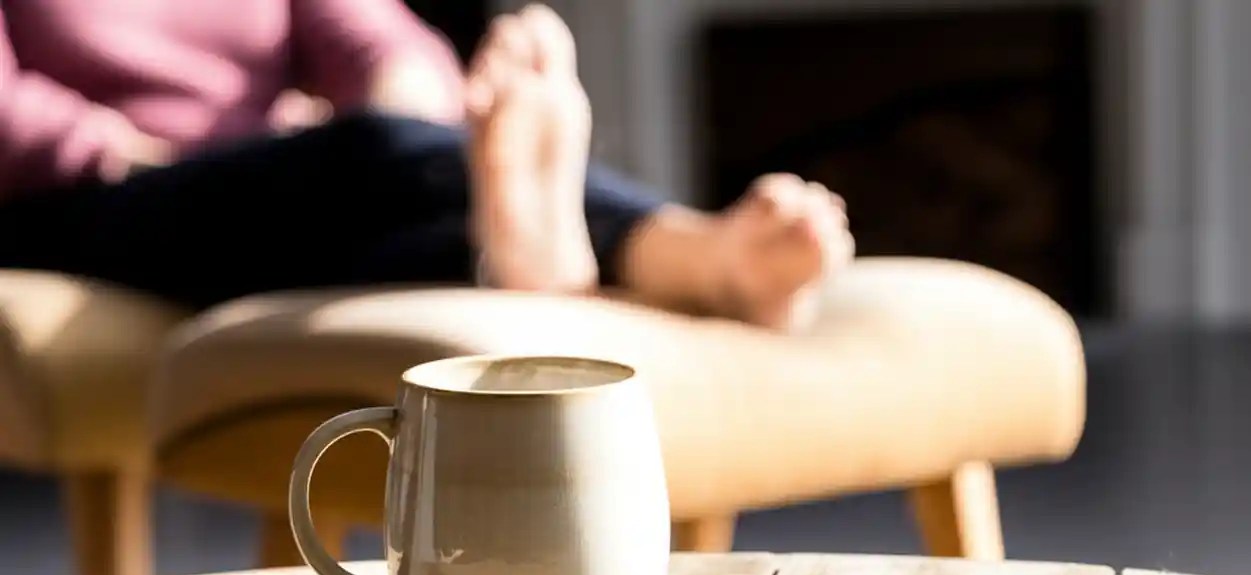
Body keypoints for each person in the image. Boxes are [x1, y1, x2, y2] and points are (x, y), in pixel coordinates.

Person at [0, 1, 853, 330]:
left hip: (271, 177)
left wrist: (407, 94)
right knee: (366, 156)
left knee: (385, 187)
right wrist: (151, 153)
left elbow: (376, 34)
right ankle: (697, 253)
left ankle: (515, 257)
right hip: (83, 199)